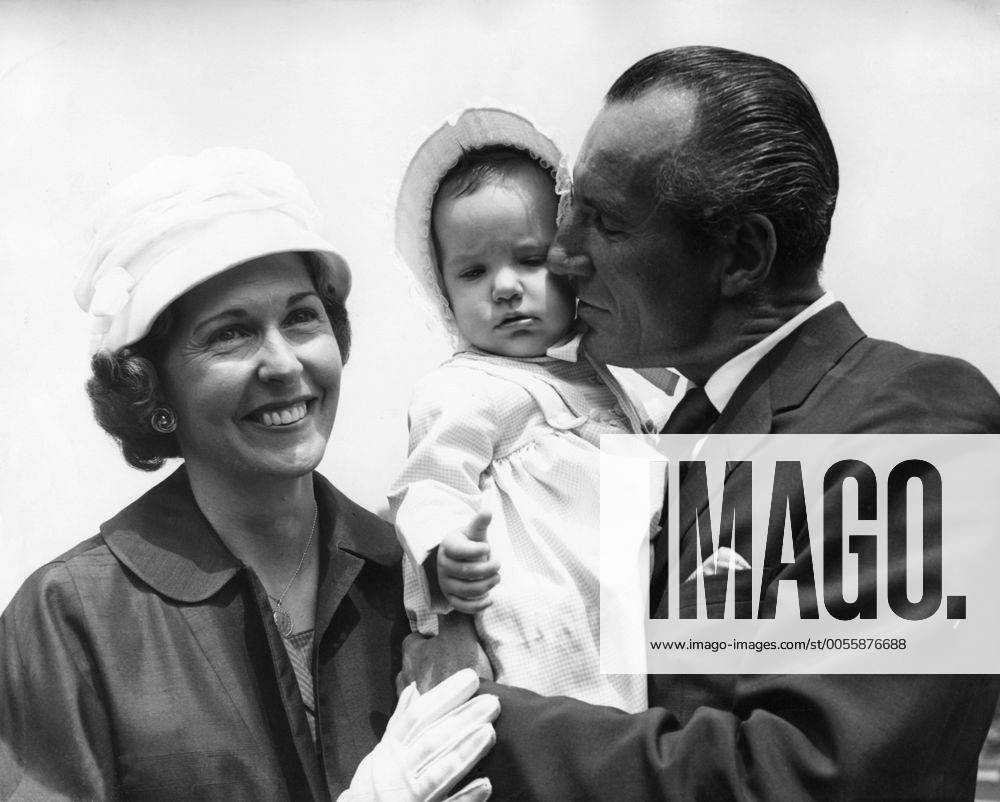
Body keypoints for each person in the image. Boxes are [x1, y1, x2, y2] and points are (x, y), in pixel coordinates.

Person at [400, 47, 1000, 800]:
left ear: (742, 255)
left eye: (606, 222)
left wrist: (476, 715)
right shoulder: (663, 427)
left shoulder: (923, 423)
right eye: (569, 210)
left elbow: (810, 778)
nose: (563, 253)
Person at [0, 147, 498, 801]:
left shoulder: (418, 579)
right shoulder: (68, 618)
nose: (284, 364)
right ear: (150, 388)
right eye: (230, 334)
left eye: (300, 318)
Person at [391, 107, 663, 714]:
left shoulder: (607, 380)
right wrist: (443, 556)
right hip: (542, 630)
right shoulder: (463, 387)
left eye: (530, 259)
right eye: (473, 271)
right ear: (443, 292)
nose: (505, 287)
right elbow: (432, 481)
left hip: (618, 620)